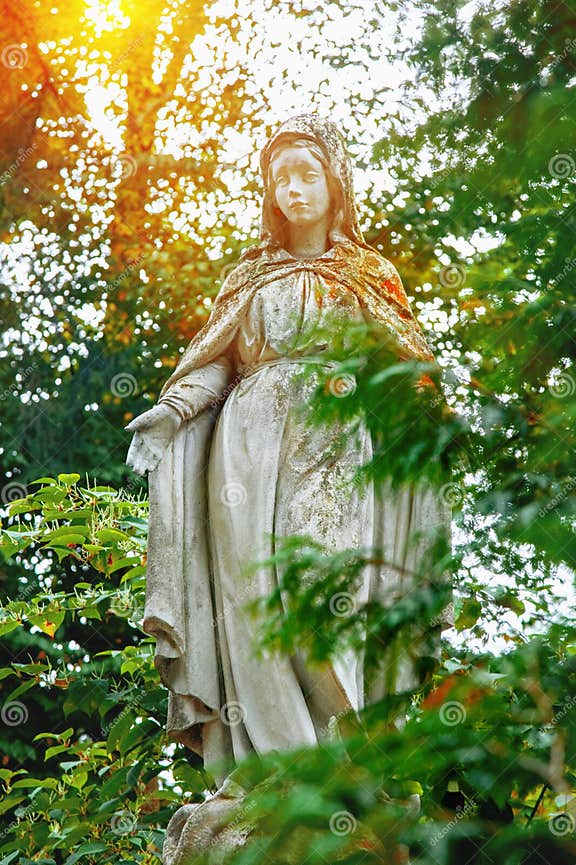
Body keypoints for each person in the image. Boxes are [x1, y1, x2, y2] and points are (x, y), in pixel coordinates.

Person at [125, 114, 453, 783]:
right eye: (282, 178)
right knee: (250, 597)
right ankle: (269, 772)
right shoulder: (249, 277)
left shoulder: (367, 274)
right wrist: (171, 412)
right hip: (245, 442)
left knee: (322, 591)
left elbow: (406, 372)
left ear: (336, 183)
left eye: (309, 175)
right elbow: (216, 364)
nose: (295, 190)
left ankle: (345, 760)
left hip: (333, 439)